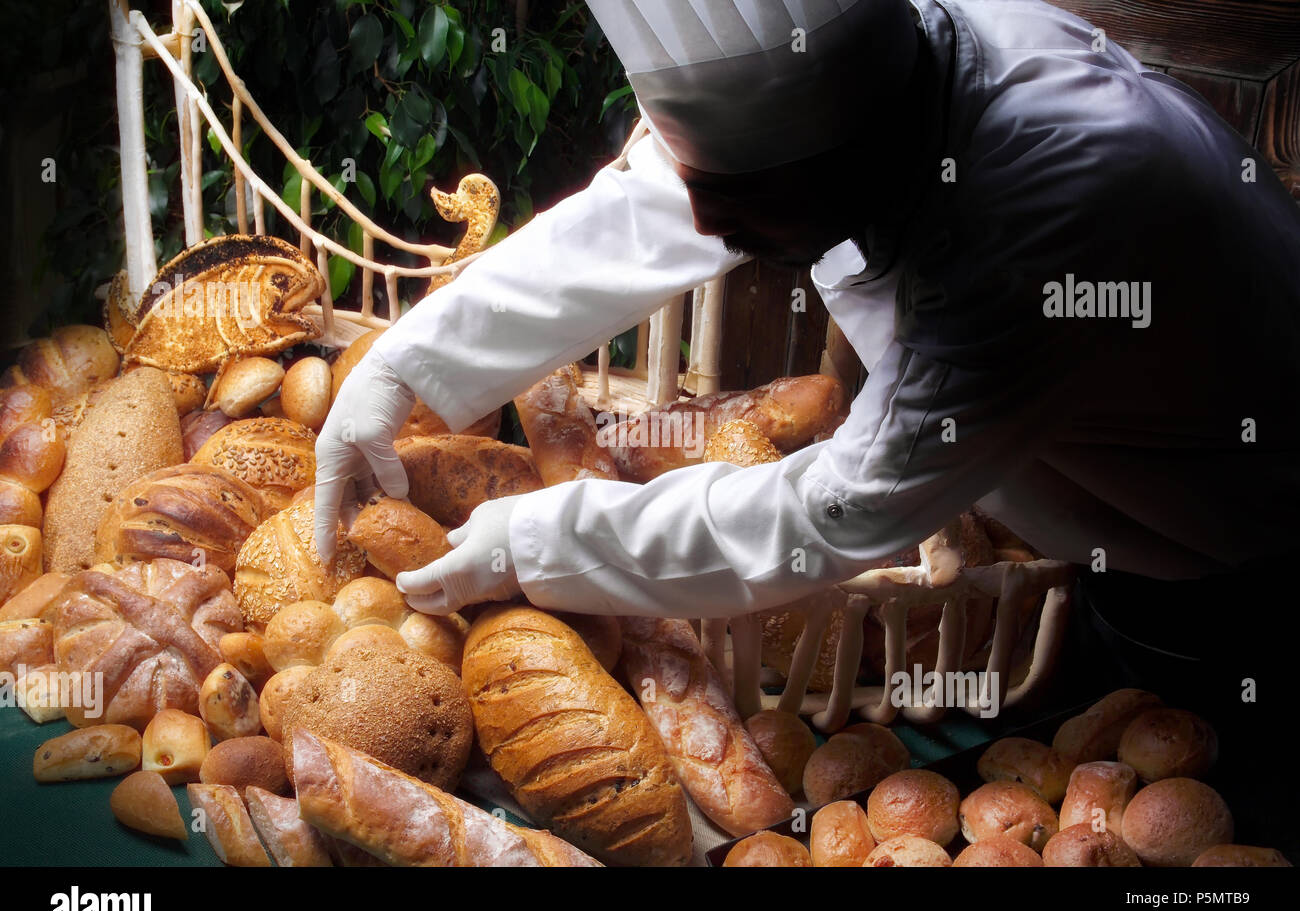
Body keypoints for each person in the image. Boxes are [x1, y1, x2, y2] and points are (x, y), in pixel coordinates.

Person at [314, 0, 1299, 679]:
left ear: (849, 166)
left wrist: (536, 538)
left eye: (739, 210)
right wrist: (410, 361)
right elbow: (656, 201)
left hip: (1227, 553)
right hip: (1069, 487)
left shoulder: (1052, 200)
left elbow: (834, 507)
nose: (706, 224)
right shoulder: (854, 89)